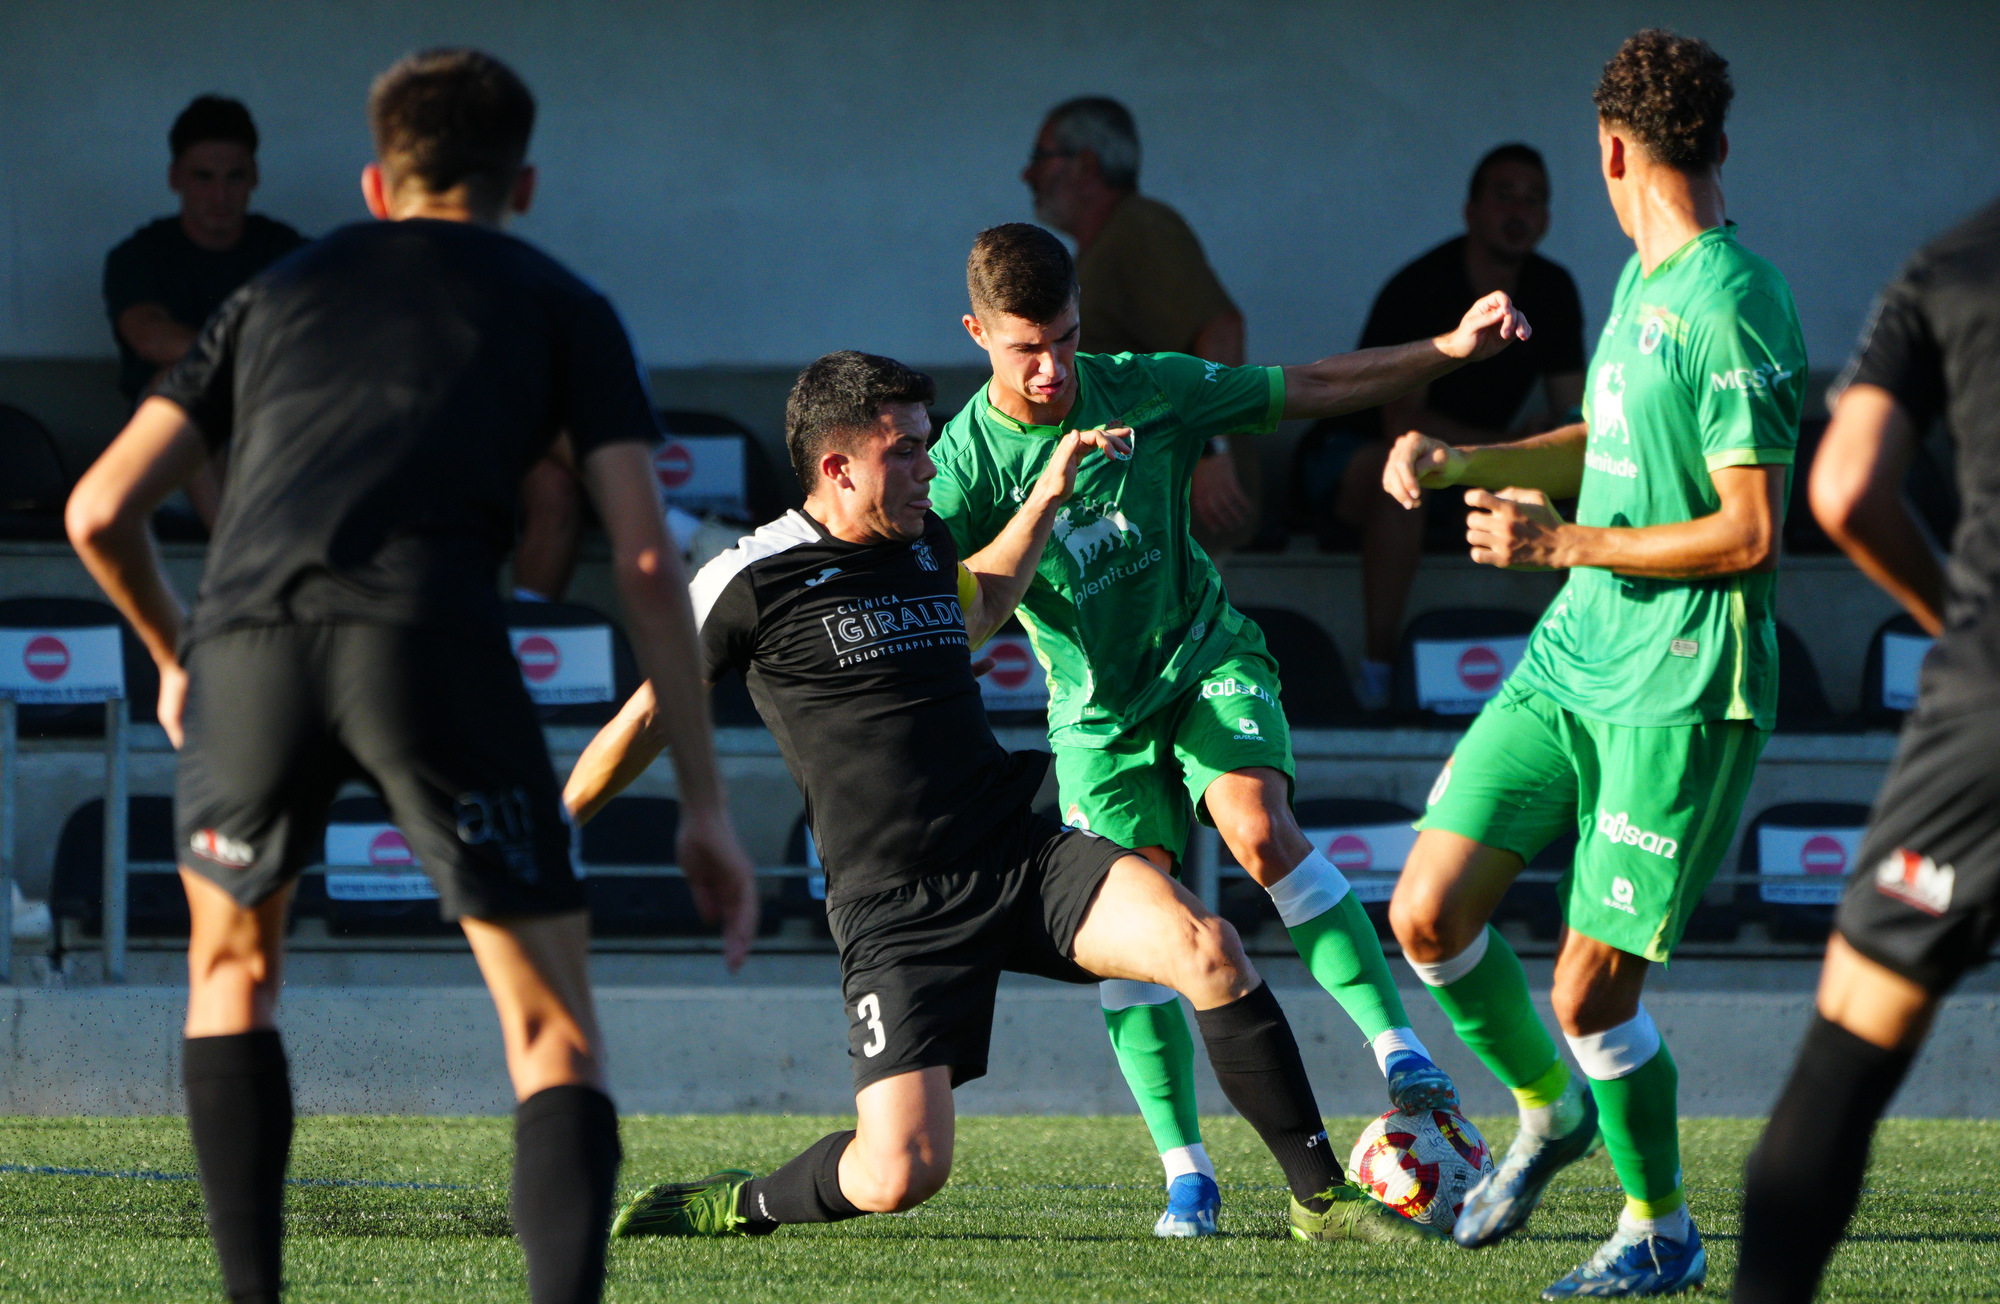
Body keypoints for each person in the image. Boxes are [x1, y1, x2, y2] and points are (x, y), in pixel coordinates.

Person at [63, 49, 756, 1304]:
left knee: (231, 977)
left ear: (379, 184)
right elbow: (647, 552)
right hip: (429, 639)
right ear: (523, 183)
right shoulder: (564, 301)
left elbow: (100, 508)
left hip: (247, 646)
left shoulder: (271, 290)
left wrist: (178, 658)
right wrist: (703, 802)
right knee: (547, 1028)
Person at [571, 351, 1432, 1247]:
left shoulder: (924, 542)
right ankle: (738, 1201)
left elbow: (981, 606)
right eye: (905, 451)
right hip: (894, 905)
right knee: (900, 1172)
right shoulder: (748, 579)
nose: (929, 468)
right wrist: (555, 833)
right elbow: (643, 722)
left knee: (1206, 946)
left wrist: (1049, 492)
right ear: (837, 468)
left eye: (928, 444)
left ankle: (1321, 1198)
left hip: (1016, 850)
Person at [930, 222, 1529, 1236]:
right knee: (1139, 936)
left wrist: (1446, 350)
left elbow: (1309, 384)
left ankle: (1401, 1056)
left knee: (1257, 826)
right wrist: (1039, 499)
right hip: (1095, 717)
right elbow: (952, 608)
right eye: (1025, 347)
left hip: (1204, 654)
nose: (1050, 368)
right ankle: (1187, 1172)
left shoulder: (1147, 384)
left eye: (1065, 339)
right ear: (976, 333)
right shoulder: (960, 465)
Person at [1381, 29, 1804, 1299]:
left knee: (1587, 989)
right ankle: (1547, 1113)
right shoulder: (1637, 282)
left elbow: (1750, 530)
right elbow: (1605, 434)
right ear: (1715, 144)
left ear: (1608, 150)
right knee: (1425, 912)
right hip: (1575, 651)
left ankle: (1659, 1227)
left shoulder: (1733, 297)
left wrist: (1560, 538)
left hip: (1678, 680)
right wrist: (1468, 462)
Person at [1731, 198, 2000, 1304]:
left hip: (1987, 708)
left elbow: (1839, 489)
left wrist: (1960, 622)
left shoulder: (1954, 259)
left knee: (1848, 1047)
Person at [1302, 143, 1587, 709]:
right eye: (1504, 196)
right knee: (1399, 488)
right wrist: (1512, 448)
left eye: (1533, 202)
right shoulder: (1424, 284)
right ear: (1471, 210)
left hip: (1464, 462)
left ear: (1547, 220)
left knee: (1581, 492)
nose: (1518, 212)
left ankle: (1585, 662)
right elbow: (1402, 426)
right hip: (1353, 448)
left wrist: (1546, 439)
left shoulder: (1553, 288)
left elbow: (1575, 416)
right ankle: (1379, 675)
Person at [1022, 96, 1258, 555]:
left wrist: (1210, 451)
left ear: (1085, 165)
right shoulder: (1106, 243)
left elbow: (1221, 328)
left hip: (1179, 506)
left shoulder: (1141, 228)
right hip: (1136, 501)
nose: (1027, 175)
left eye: (1040, 157)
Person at [102, 95, 307, 527]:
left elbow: (317, 342)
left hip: (269, 443)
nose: (220, 195)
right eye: (203, 177)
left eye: (233, 177)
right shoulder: (141, 255)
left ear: (254, 176)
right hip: (166, 470)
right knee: (180, 384)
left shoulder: (289, 253)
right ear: (175, 178)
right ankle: (234, 555)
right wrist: (244, 358)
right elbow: (149, 336)